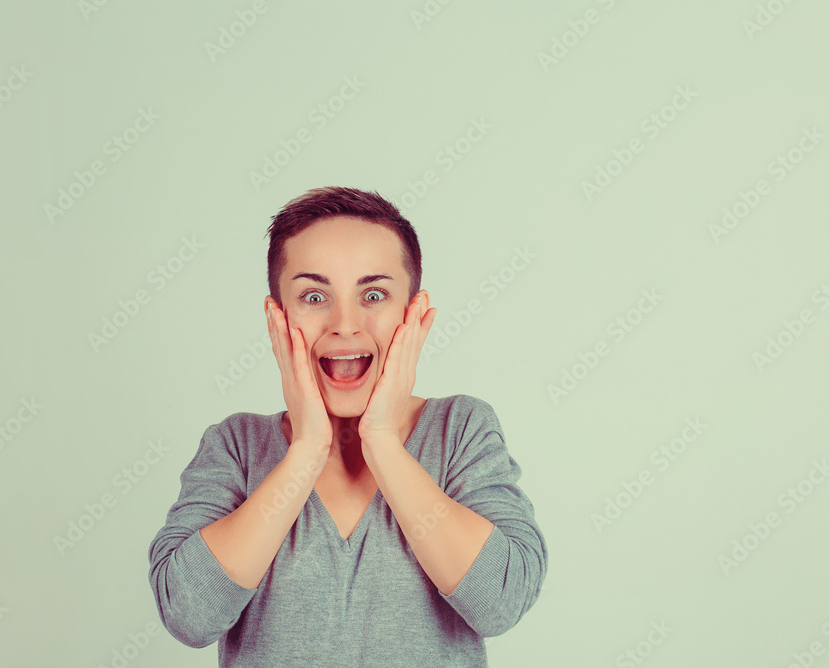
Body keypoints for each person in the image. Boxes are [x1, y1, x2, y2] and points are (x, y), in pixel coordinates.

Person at [148, 186, 547, 666]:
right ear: (278, 316)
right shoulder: (236, 446)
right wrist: (307, 448)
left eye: (373, 294)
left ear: (412, 313)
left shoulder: (460, 429)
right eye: (314, 296)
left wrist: (380, 440)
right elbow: (188, 615)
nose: (344, 323)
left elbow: (500, 602)